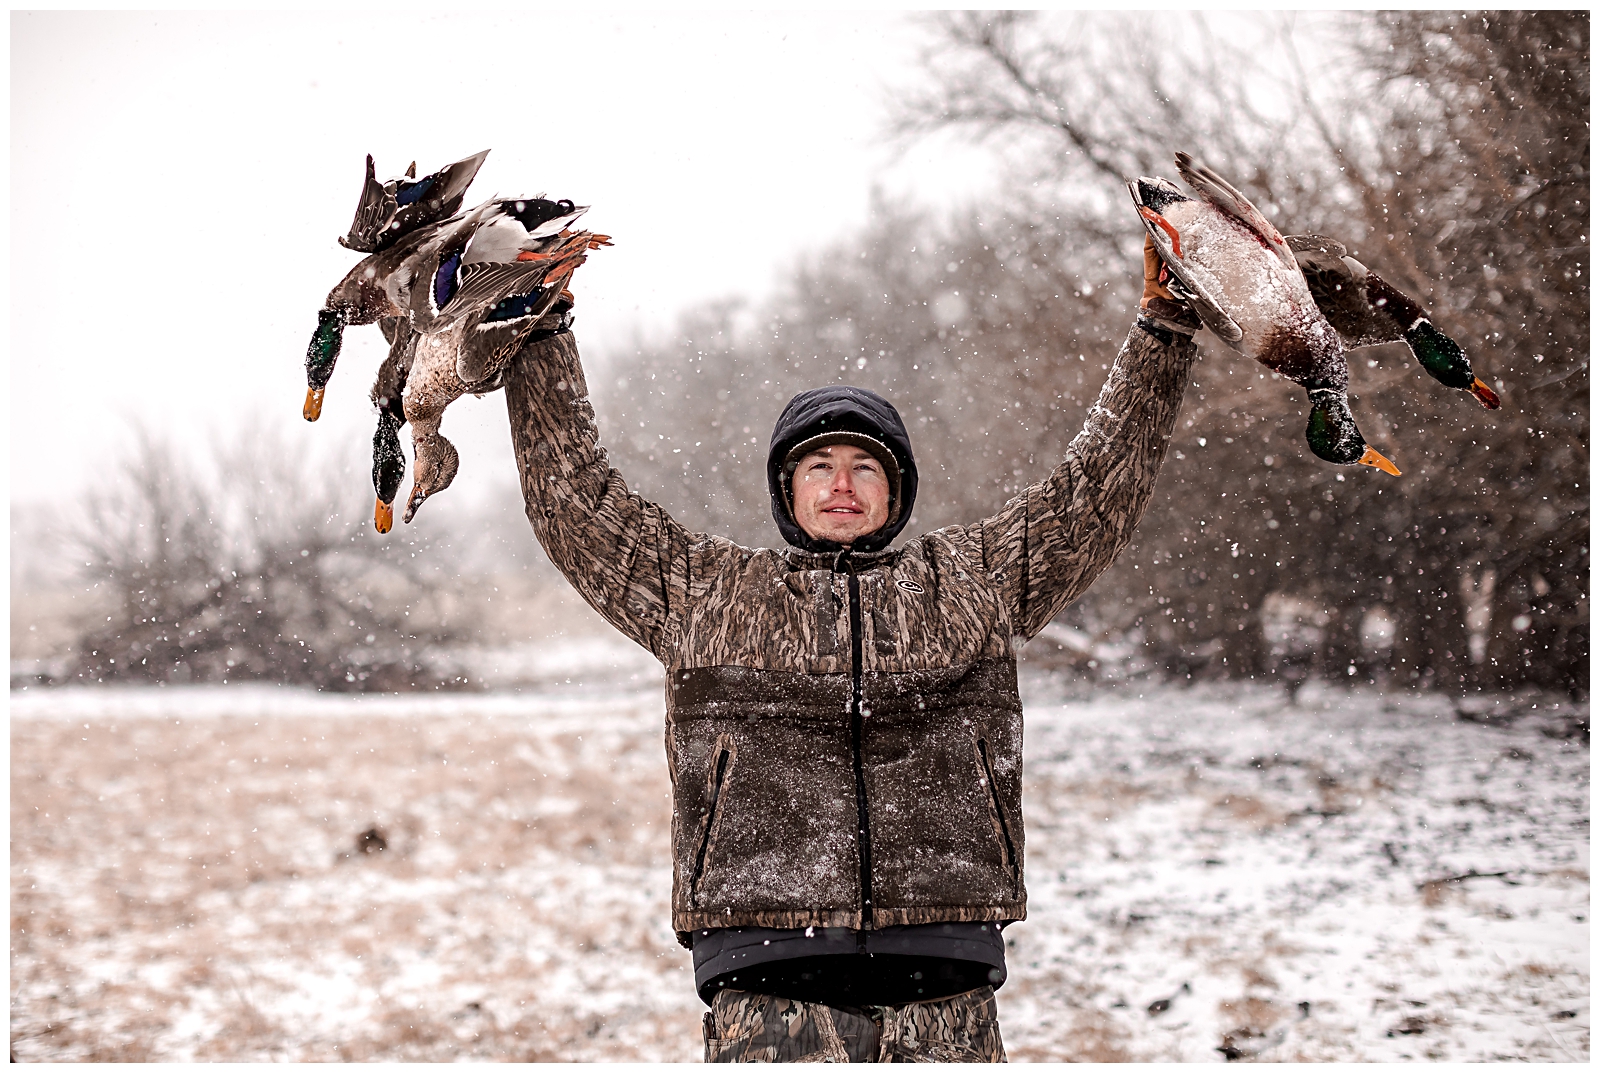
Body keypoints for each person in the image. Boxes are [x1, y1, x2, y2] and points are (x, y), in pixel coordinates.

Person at [501, 235, 1200, 1062]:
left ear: (896, 487)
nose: (842, 484)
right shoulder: (706, 591)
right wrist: (539, 335)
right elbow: (577, 499)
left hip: (946, 981)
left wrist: (1163, 331)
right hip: (765, 981)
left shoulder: (970, 581)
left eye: (866, 465)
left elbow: (1096, 489)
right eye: (820, 465)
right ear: (786, 489)